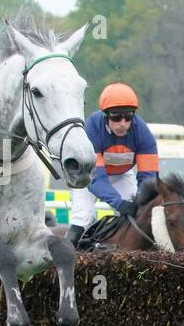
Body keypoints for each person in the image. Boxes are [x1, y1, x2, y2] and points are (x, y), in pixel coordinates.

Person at [67, 83, 159, 248]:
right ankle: (62, 263)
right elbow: (97, 179)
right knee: (83, 218)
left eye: (128, 117)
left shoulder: (143, 133)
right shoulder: (92, 128)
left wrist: (140, 201)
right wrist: (119, 203)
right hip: (87, 176)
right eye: (116, 118)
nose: (123, 123)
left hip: (122, 174)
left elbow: (148, 178)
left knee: (139, 216)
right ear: (105, 116)